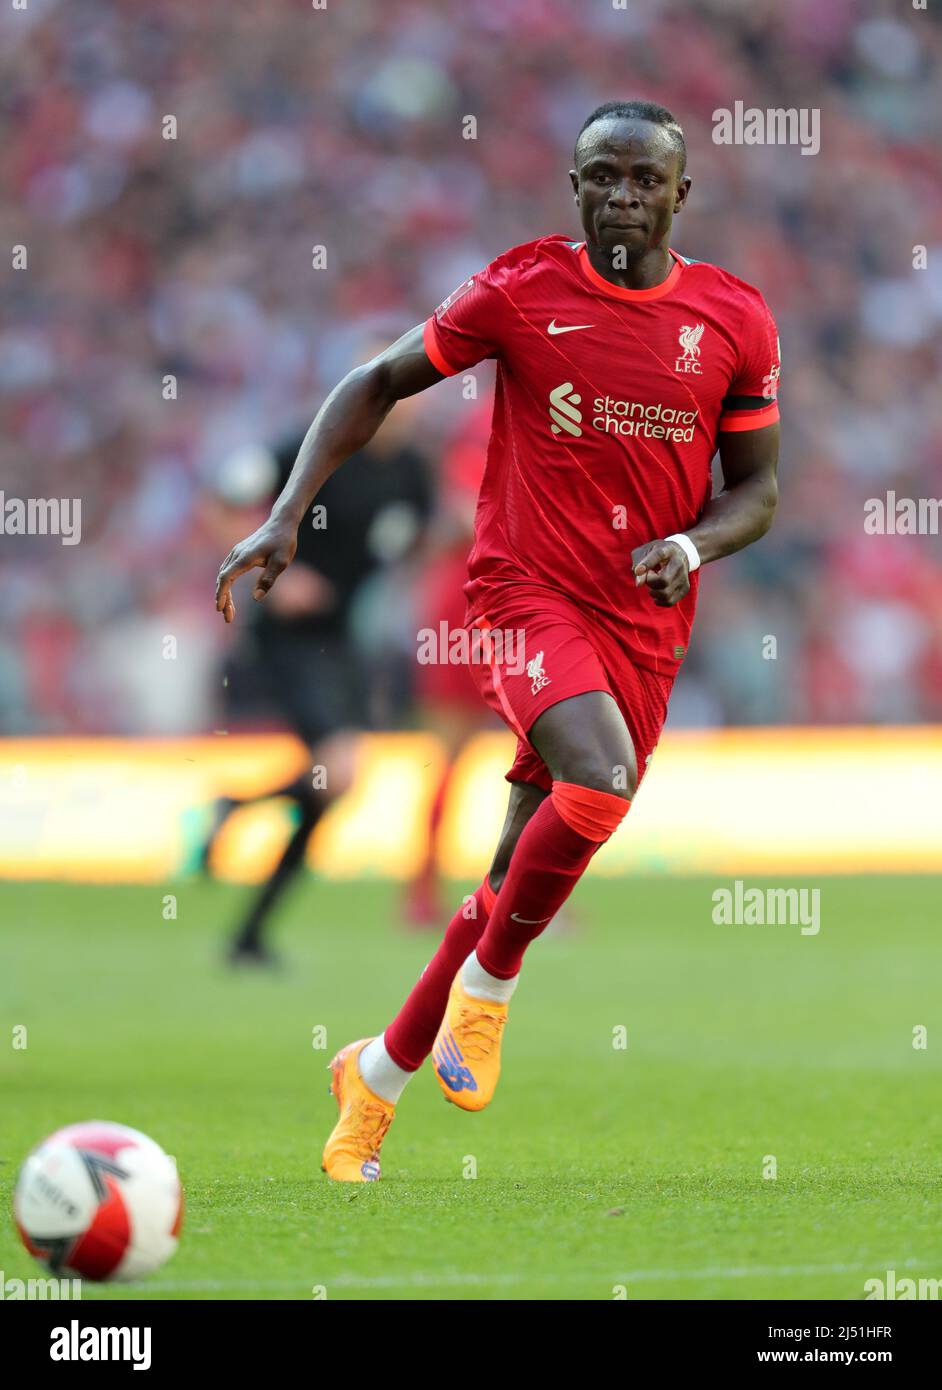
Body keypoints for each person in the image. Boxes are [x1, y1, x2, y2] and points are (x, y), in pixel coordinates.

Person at [215, 100, 781, 1181]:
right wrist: (288, 514)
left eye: (642, 179)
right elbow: (375, 381)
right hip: (523, 597)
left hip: (645, 621)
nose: (622, 194)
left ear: (679, 195)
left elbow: (757, 492)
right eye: (601, 176)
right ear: (573, 189)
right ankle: (495, 984)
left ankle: (374, 1080)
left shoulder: (737, 320)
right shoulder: (521, 289)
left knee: (509, 868)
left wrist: (696, 546)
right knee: (599, 783)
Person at [207, 415, 432, 965]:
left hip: (343, 642)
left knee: (336, 785)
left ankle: (249, 928)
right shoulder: (310, 444)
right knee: (341, 770)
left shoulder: (412, 473)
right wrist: (268, 566)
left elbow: (411, 547)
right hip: (287, 638)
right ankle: (236, 817)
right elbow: (218, 502)